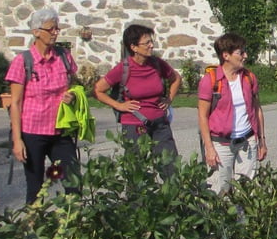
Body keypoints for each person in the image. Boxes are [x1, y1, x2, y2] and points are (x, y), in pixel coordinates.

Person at [4, 7, 80, 203]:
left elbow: (72, 85)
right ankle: (33, 227)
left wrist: (71, 96)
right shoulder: (23, 62)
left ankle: (75, 225)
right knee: (35, 186)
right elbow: (15, 103)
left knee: (73, 181)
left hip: (60, 131)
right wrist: (17, 140)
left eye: (57, 29)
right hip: (33, 132)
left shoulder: (63, 56)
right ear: (36, 32)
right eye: (51, 29)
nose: (55, 33)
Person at [94, 24, 182, 172]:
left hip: (160, 123)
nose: (151, 45)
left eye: (151, 41)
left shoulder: (157, 64)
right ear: (134, 47)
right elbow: (98, 90)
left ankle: (173, 195)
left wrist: (169, 99)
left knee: (171, 167)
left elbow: (176, 78)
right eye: (146, 43)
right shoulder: (124, 68)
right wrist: (118, 105)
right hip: (134, 124)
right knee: (136, 171)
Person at [198, 33, 267, 194]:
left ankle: (243, 220)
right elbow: (202, 116)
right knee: (220, 190)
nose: (245, 56)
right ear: (226, 55)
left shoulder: (249, 78)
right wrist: (209, 148)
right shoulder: (210, 81)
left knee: (247, 191)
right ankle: (221, 220)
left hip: (247, 141)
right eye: (241, 52)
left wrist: (261, 141)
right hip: (220, 144)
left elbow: (257, 109)